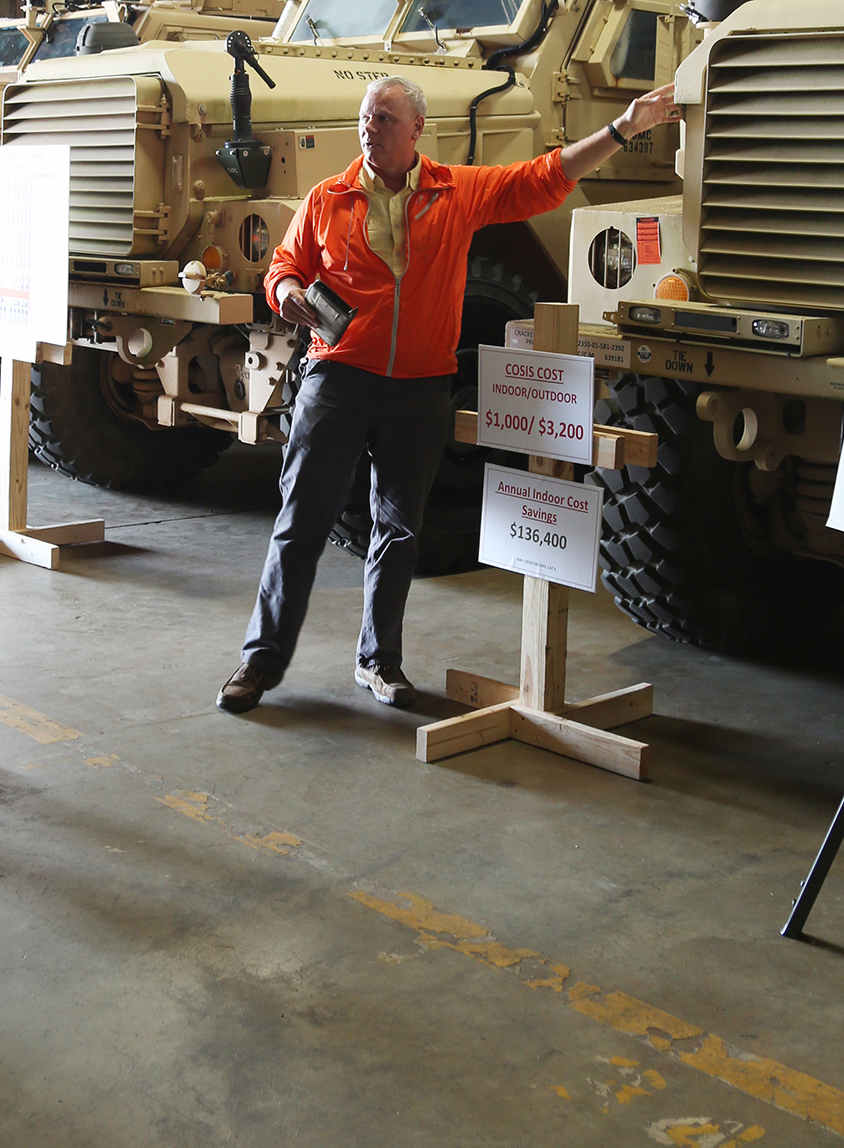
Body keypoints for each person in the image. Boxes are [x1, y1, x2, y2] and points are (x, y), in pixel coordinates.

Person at [218, 74, 678, 714]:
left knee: (399, 530)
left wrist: (623, 127)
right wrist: (285, 293)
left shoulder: (454, 191)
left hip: (420, 386)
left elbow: (543, 177)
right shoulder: (326, 198)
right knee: (301, 523)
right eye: (364, 116)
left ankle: (379, 662)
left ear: (416, 131)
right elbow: (285, 265)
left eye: (383, 118)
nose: (368, 127)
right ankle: (258, 663)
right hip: (338, 377)